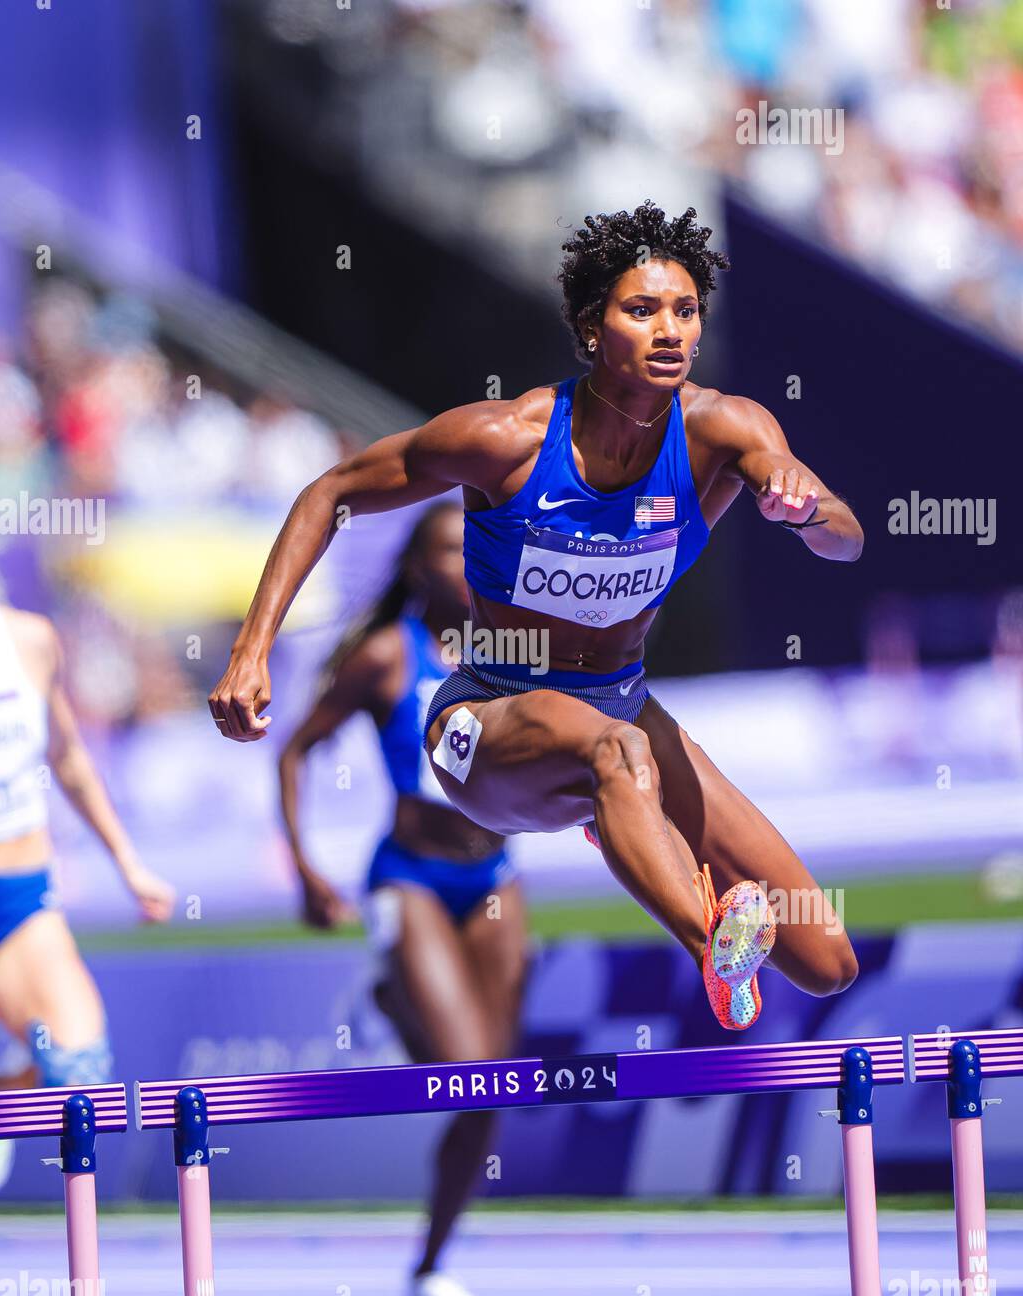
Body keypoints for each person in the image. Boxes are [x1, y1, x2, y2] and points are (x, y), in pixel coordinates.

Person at [210, 202, 863, 1031]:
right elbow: (331, 493)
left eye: (686, 310)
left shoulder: (725, 432)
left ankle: (623, 821)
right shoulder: (508, 439)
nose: (670, 330)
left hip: (619, 703)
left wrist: (805, 508)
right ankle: (711, 946)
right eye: (642, 310)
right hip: (487, 719)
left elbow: (846, 540)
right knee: (620, 755)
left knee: (826, 959)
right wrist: (250, 650)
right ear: (592, 328)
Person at [278, 501, 525, 1296]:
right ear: (419, 569)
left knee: (495, 1087)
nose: (468, 563)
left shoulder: (510, 650)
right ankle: (394, 992)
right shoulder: (386, 657)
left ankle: (431, 1266)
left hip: (495, 877)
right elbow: (295, 751)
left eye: (475, 550)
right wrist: (306, 872)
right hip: (410, 877)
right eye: (452, 550)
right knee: (463, 1069)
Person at [0, 487, 174, 1191]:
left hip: (18, 893)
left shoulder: (28, 640)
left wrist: (129, 864)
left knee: (79, 1070)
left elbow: (70, 759)